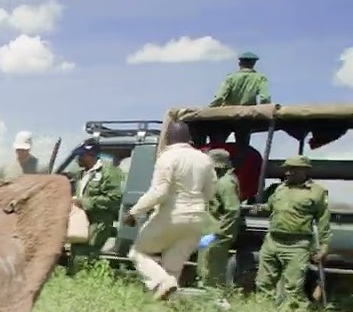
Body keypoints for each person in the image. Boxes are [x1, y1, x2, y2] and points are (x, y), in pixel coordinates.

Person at [123, 121, 217, 300]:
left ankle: (162, 283)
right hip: (196, 218)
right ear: (189, 139)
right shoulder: (205, 159)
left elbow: (159, 192)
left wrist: (134, 212)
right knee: (172, 268)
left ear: (167, 139)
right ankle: (165, 306)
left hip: (172, 214)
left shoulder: (168, 157)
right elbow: (210, 193)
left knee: (138, 253)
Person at [249, 155, 330, 308]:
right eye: (286, 169)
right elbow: (270, 206)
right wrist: (260, 208)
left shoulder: (317, 192)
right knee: (263, 282)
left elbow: (323, 221)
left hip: (297, 245)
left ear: (304, 171)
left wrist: (324, 246)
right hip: (272, 241)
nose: (287, 173)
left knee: (293, 286)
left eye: (292, 169)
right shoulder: (280, 188)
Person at [66, 140, 124, 276]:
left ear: (90, 155)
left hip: (99, 221)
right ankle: (75, 279)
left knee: (85, 254)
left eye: (81, 155)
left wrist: (85, 202)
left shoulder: (109, 172)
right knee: (76, 250)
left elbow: (114, 198)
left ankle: (80, 281)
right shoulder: (82, 174)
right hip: (82, 220)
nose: (77, 159)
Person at [197, 149, 243, 290]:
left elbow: (233, 209)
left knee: (211, 273)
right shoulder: (218, 180)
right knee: (205, 270)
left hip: (215, 234)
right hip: (209, 232)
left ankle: (212, 301)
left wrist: (220, 233)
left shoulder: (225, 183)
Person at [209, 51, 272, 146]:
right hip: (246, 116)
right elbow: (265, 98)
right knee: (243, 146)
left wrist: (209, 109)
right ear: (254, 64)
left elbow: (220, 97)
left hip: (228, 115)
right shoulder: (260, 78)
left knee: (218, 144)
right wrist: (263, 111)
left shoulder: (231, 78)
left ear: (239, 63)